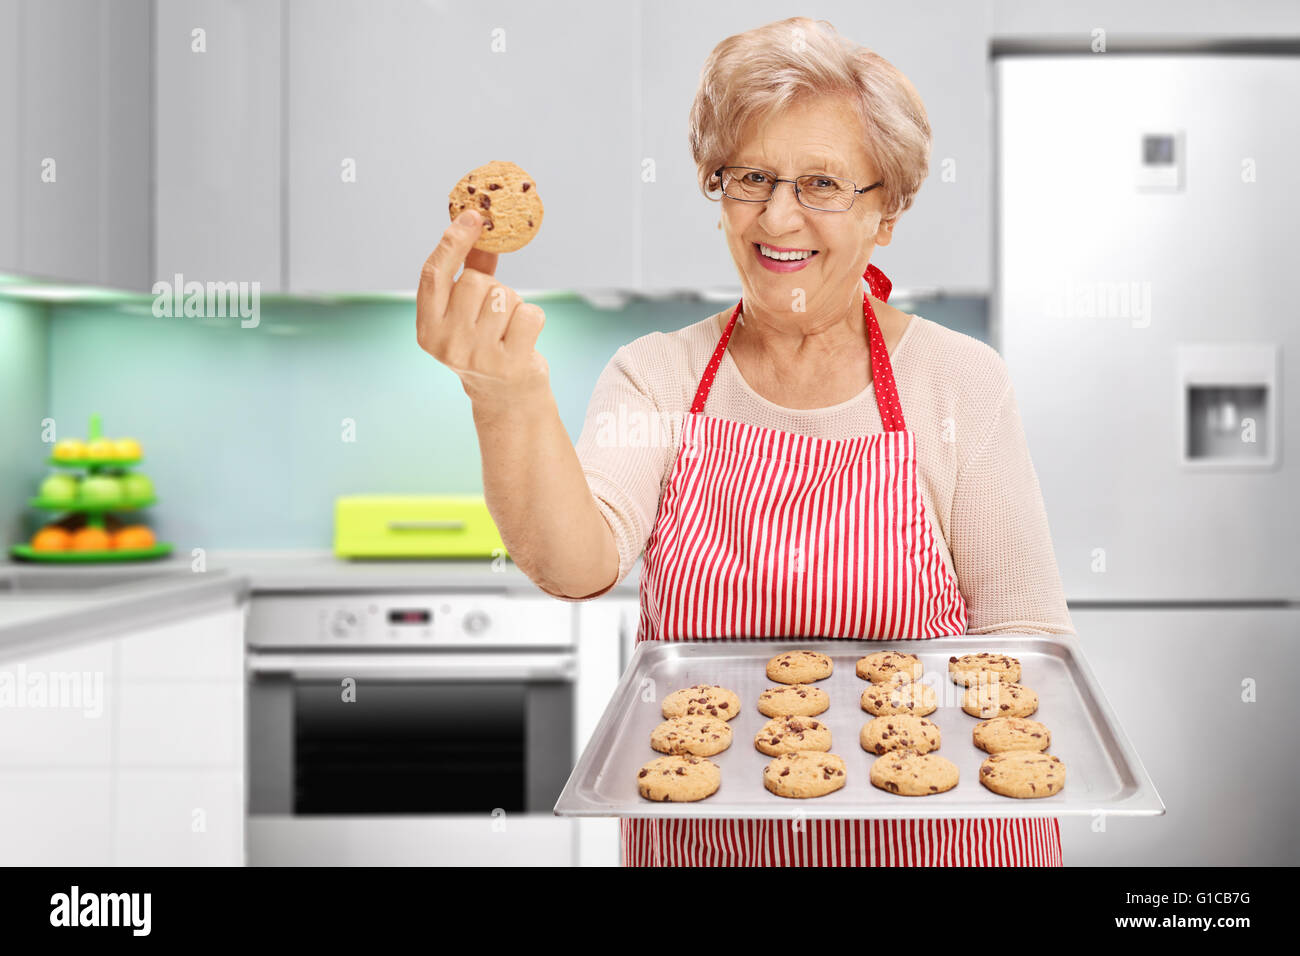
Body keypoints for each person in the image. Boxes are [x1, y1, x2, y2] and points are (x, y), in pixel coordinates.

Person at [417, 16, 1073, 866]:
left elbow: (1025, 649)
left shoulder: (959, 382)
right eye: (750, 177)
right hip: (712, 845)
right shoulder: (655, 374)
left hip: (930, 844)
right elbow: (574, 565)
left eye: (823, 184)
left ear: (890, 211)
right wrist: (506, 396)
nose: (778, 217)